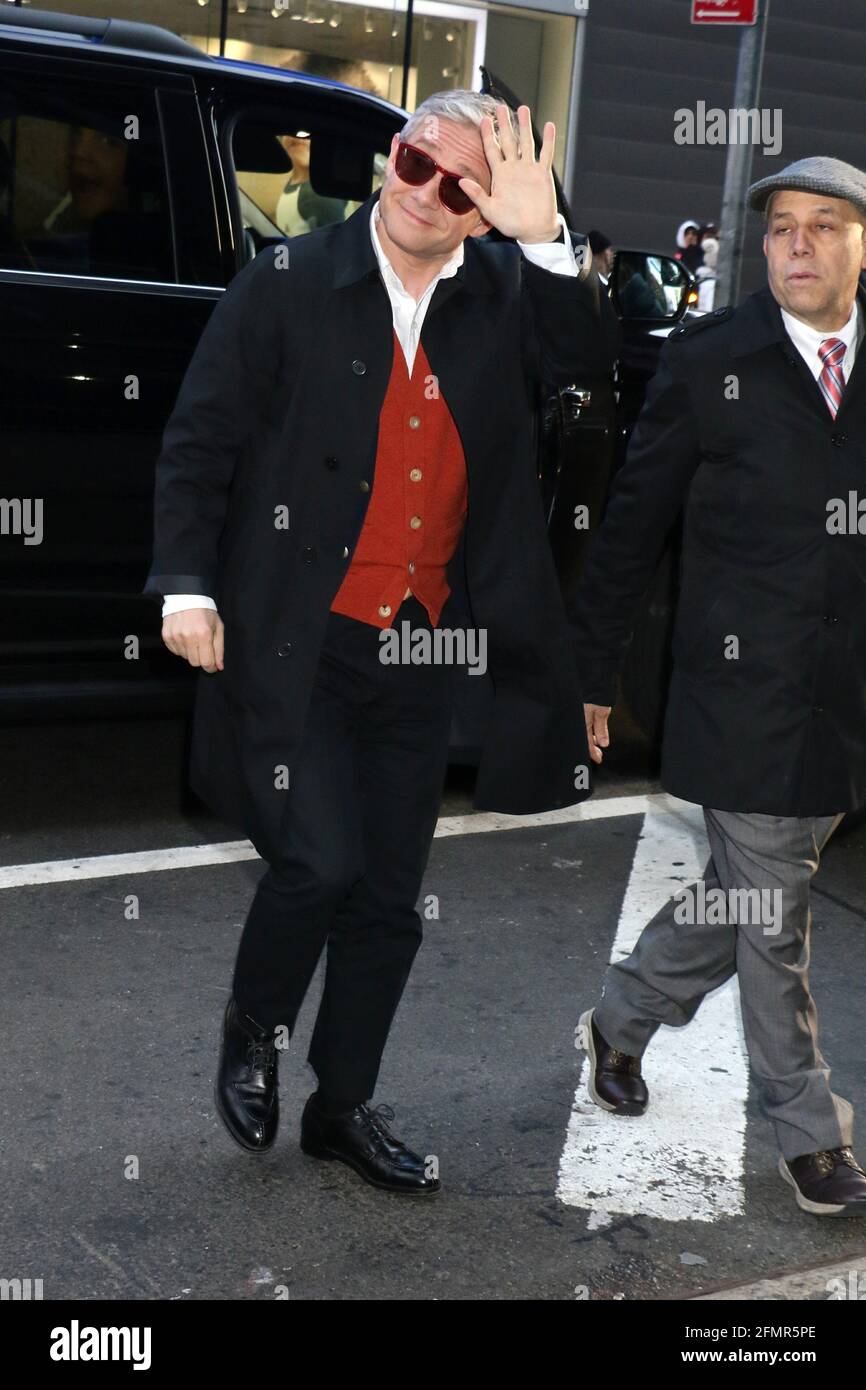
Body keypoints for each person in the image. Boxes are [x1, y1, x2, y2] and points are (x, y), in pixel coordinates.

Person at [145, 92, 619, 1196]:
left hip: (422, 644)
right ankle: (254, 1022)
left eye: (461, 186)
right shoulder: (288, 282)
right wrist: (184, 585)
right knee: (318, 859)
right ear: (386, 158)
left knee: (389, 897)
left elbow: (586, 377)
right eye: (416, 162)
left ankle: (341, 1105)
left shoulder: (503, 290)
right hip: (293, 636)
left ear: (480, 209)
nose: (427, 191)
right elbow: (197, 441)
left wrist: (544, 240)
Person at [572, 155, 866, 1216]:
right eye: (781, 226)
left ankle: (623, 1009)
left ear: (858, 245)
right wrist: (592, 671)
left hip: (845, 696)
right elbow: (631, 525)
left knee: (751, 889)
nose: (796, 243)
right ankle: (808, 1135)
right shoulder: (710, 359)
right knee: (775, 916)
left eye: (823, 225)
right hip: (739, 690)